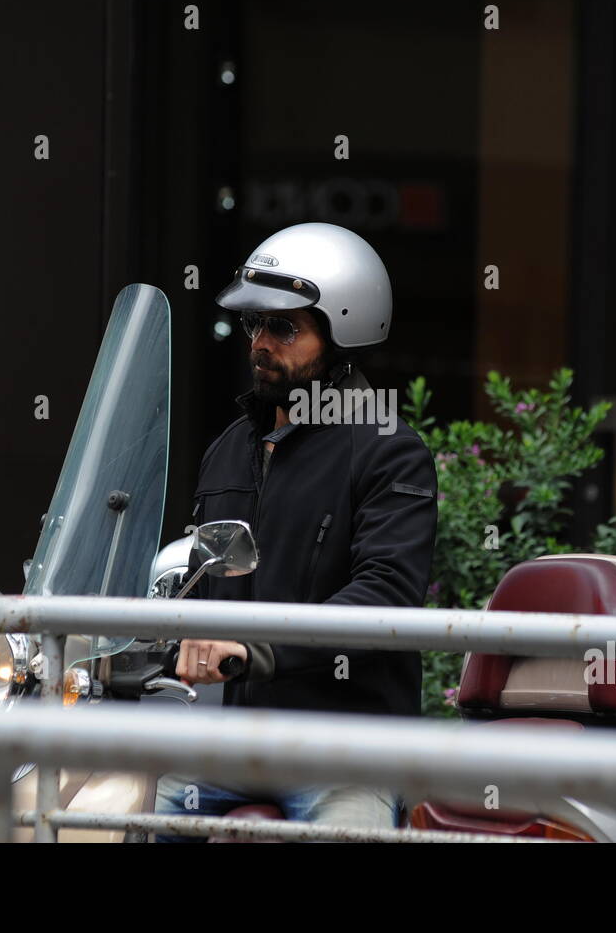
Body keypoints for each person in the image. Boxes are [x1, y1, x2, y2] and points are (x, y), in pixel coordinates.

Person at [153, 222, 438, 841]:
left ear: (344, 333)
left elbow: (388, 594)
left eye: (283, 327)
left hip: (346, 748)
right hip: (237, 742)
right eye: (254, 325)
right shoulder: (231, 449)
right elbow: (204, 582)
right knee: (124, 809)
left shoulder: (390, 452)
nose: (260, 342)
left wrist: (259, 652)